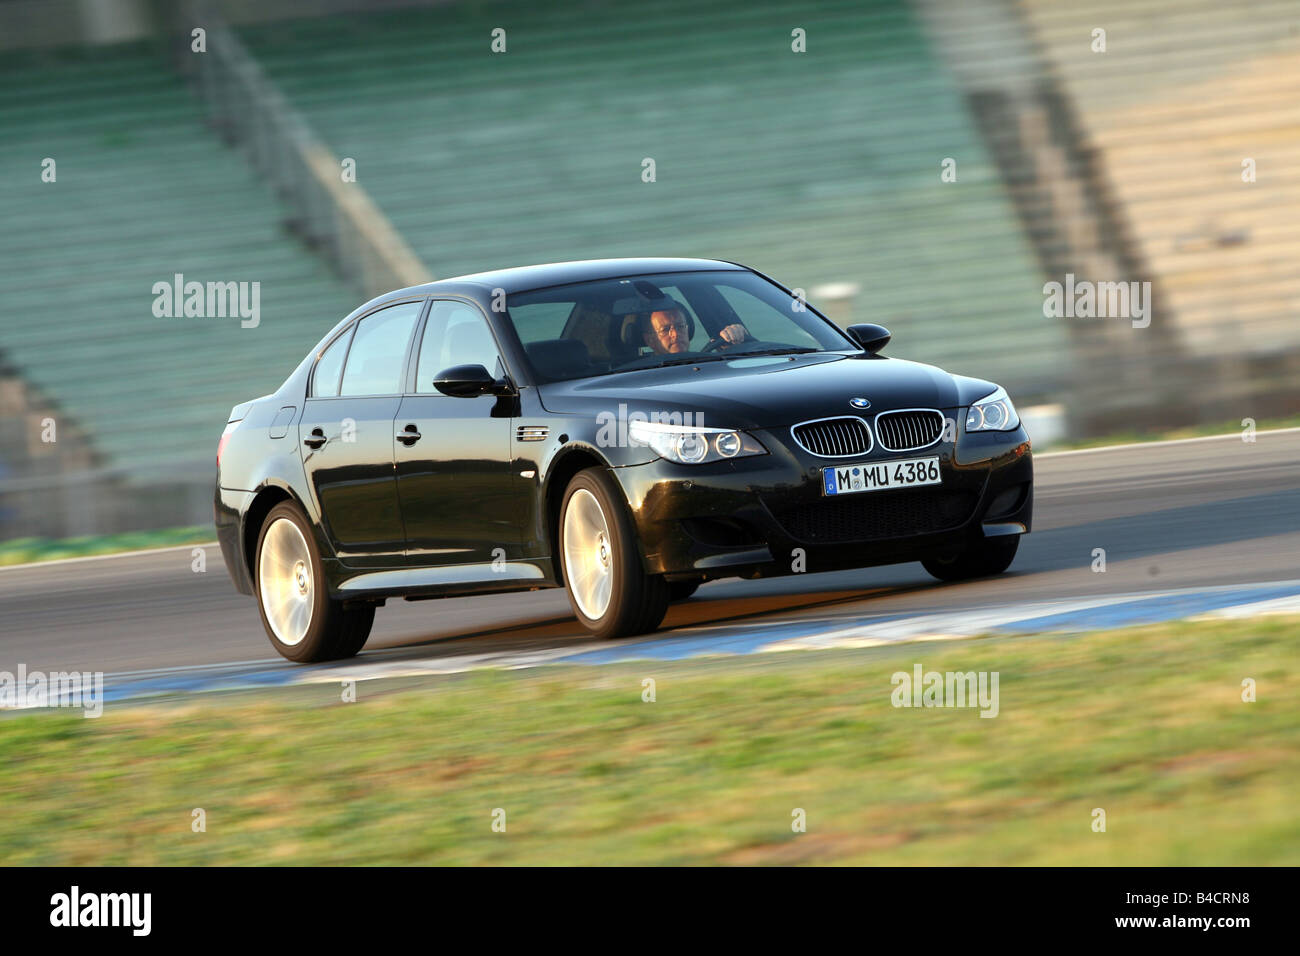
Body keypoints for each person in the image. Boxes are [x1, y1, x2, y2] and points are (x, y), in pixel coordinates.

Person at [640, 304, 749, 355]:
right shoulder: (643, 379)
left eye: (680, 326)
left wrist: (735, 335)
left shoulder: (704, 362)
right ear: (650, 340)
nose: (675, 334)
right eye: (665, 329)